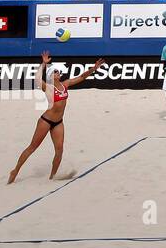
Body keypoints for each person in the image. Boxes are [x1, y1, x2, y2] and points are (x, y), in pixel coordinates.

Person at [8, 50, 106, 182]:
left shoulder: (65, 84)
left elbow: (82, 77)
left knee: (59, 149)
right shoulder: (48, 87)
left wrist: (94, 68)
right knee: (32, 147)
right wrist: (43, 63)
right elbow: (37, 78)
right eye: (54, 72)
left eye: (58, 72)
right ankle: (15, 170)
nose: (57, 73)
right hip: (46, 120)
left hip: (58, 122)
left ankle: (52, 176)